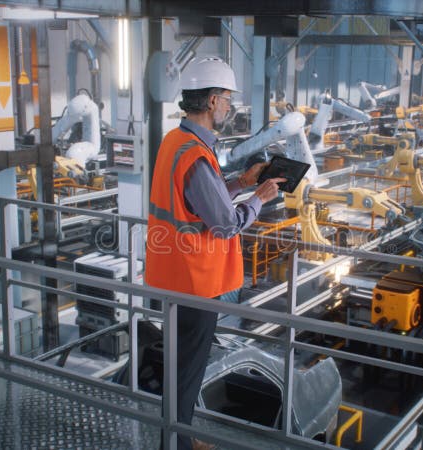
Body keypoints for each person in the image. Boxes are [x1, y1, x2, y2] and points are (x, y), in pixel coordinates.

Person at [144, 56, 284, 450]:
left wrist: (240, 180)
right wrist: (259, 197)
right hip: (193, 281)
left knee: (181, 368)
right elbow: (224, 224)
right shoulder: (195, 154)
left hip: (173, 275)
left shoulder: (178, 142)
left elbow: (199, 202)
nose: (229, 106)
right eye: (226, 98)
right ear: (210, 102)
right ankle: (174, 445)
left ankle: (180, 440)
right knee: (187, 370)